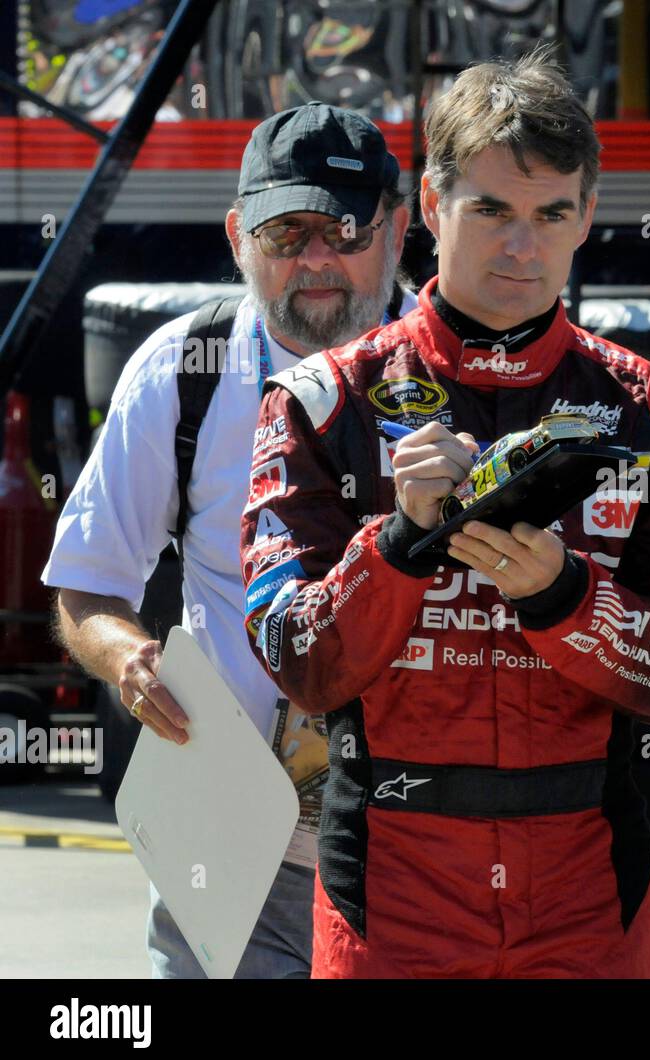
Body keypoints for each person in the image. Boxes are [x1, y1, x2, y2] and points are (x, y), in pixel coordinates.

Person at [238, 48, 650, 979]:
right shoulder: (319, 402)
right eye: (491, 210)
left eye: (552, 214)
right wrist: (397, 543)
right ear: (431, 206)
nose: (522, 245)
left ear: (587, 216)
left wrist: (565, 598)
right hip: (392, 880)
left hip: (590, 885)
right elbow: (297, 663)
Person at [43, 101, 417, 978]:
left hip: (423, 853)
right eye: (286, 232)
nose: (316, 257)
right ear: (236, 236)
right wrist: (131, 661)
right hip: (235, 847)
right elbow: (86, 587)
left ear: (400, 228)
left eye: (346, 227)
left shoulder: (464, 370)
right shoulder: (183, 369)